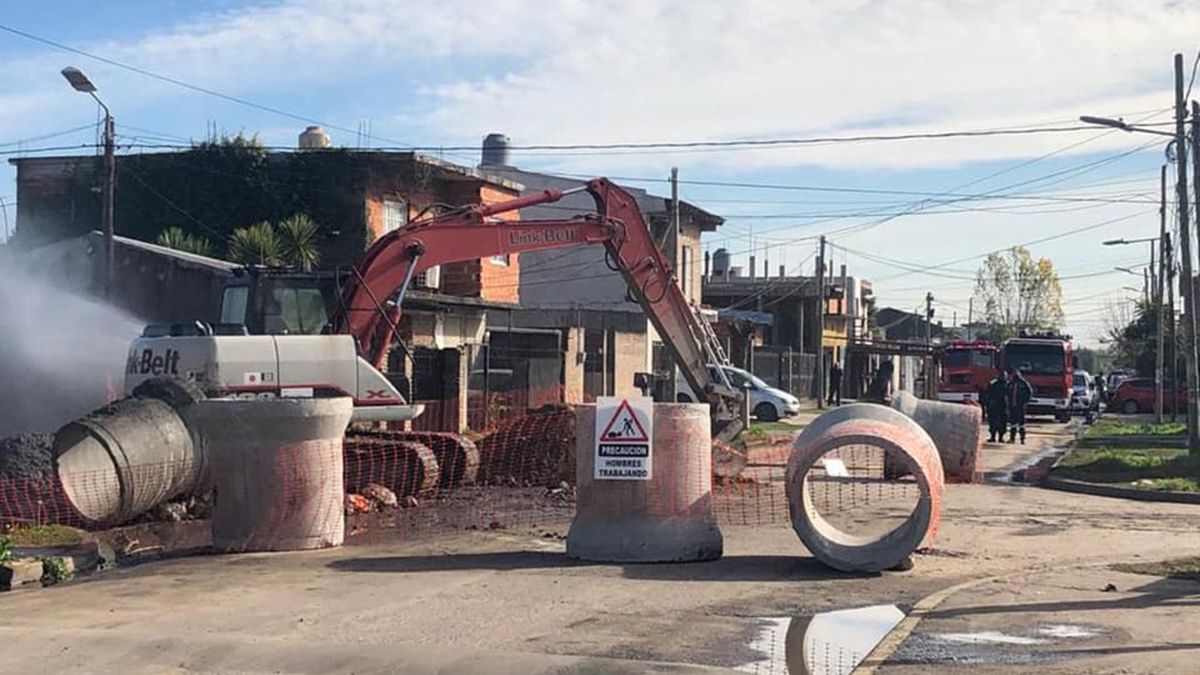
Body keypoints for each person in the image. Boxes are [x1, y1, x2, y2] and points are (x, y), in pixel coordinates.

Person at [1007, 367, 1033, 444]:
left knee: (1022, 424)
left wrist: (1026, 402)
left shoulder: (1024, 384)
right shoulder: (1010, 384)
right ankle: (1012, 439)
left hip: (1021, 406)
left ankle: (1022, 439)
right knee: (1013, 424)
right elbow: (1007, 393)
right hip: (1013, 406)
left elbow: (1029, 393)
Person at [985, 370, 1009, 443]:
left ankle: (1001, 437)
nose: (1003, 377)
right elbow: (987, 394)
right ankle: (992, 437)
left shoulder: (1008, 384)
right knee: (992, 422)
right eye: (1002, 375)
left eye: (1004, 375)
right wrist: (988, 404)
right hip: (993, 406)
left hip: (1003, 406)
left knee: (1003, 422)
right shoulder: (993, 383)